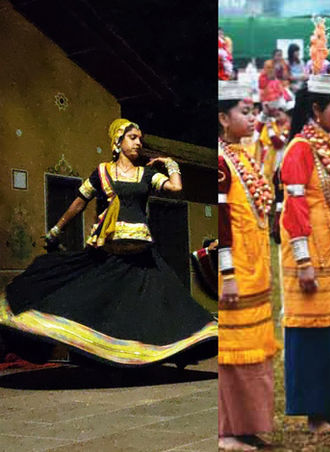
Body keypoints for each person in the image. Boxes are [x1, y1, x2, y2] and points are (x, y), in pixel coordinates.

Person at [0, 119, 217, 367]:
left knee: (170, 302)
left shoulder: (146, 174)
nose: (138, 143)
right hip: (108, 254)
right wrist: (57, 229)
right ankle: (100, 358)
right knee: (84, 296)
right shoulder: (102, 172)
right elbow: (80, 202)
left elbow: (176, 187)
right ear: (118, 141)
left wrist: (170, 163)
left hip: (142, 256)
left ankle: (164, 355)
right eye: (132, 137)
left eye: (140, 139)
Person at [280, 74, 330, 434]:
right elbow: (294, 208)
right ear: (316, 109)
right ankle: (315, 416)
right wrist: (303, 260)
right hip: (310, 257)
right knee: (312, 335)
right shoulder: (300, 148)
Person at [218, 81, 279, 452]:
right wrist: (227, 273)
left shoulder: (245, 157)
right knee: (235, 351)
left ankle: (246, 427)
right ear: (223, 118)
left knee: (256, 349)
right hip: (236, 273)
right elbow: (222, 222)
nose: (253, 116)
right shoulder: (222, 162)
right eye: (245, 111)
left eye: (253, 110)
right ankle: (226, 433)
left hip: (256, 270)